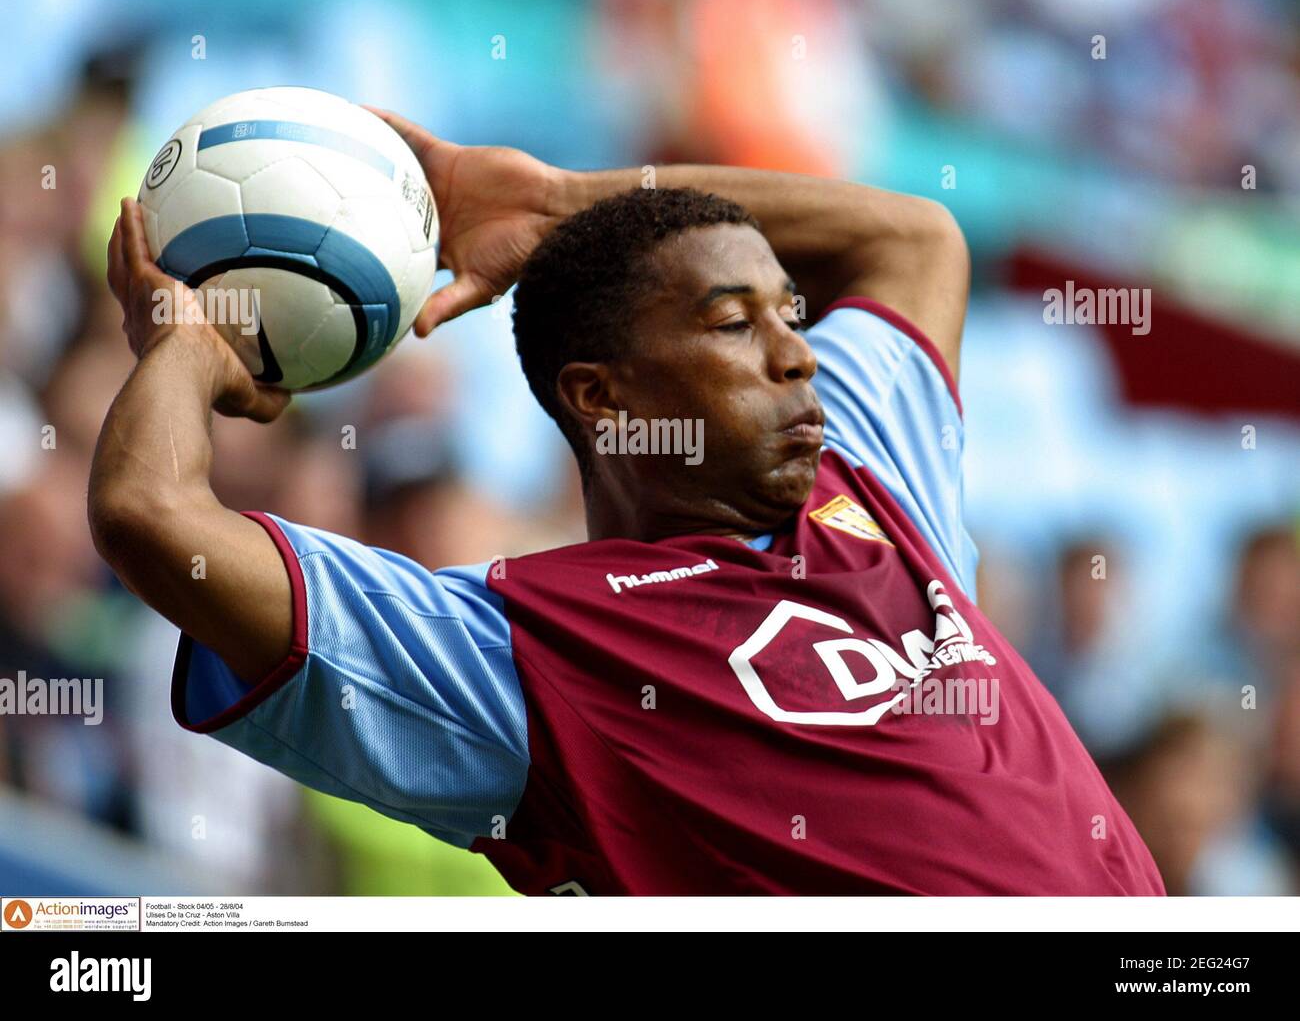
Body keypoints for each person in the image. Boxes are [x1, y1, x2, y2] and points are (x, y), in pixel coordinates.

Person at [89, 111, 1163, 895]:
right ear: (603, 399)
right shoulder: (522, 649)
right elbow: (153, 515)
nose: (797, 356)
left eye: (790, 313)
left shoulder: (873, 474)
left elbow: (913, 236)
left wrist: (561, 203)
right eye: (733, 323)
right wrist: (187, 352)